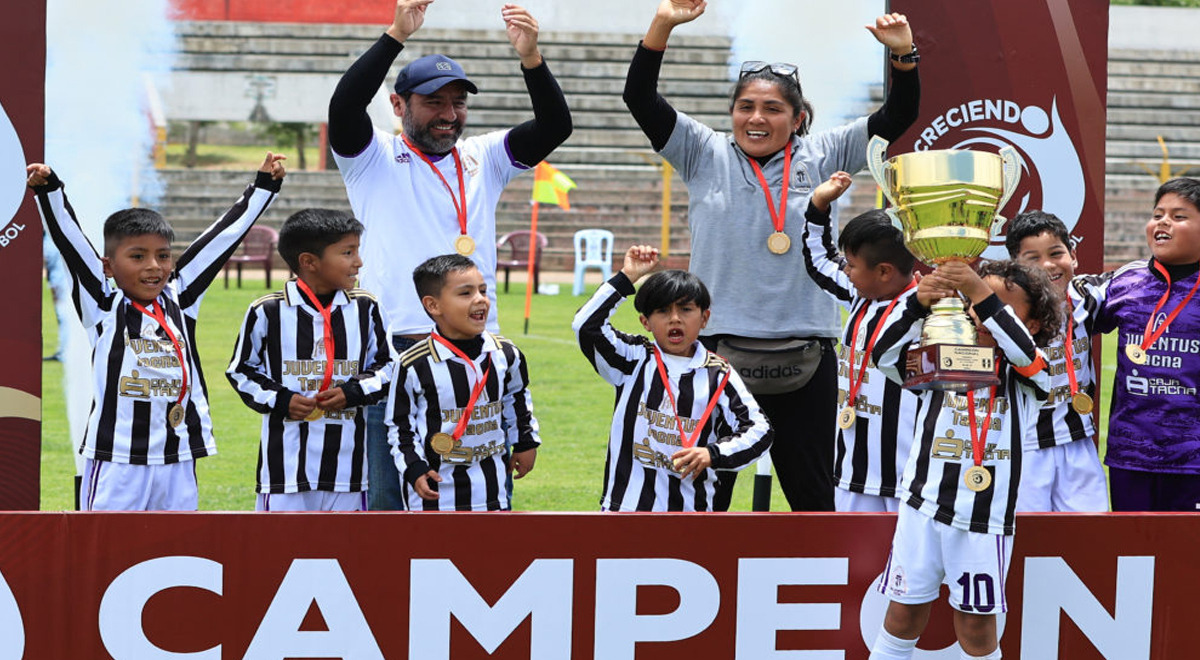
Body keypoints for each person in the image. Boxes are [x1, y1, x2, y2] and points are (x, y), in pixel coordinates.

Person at [623, 0, 920, 511]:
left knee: (815, 495)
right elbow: (640, 99)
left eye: (773, 109)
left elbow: (898, 116)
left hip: (807, 350)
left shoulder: (824, 151)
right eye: (746, 107)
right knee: (703, 493)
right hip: (715, 351)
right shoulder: (702, 150)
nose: (756, 118)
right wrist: (662, 25)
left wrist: (903, 57)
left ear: (798, 118)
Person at [328, 0, 571, 511]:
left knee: (478, 494)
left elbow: (555, 126)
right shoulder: (373, 158)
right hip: (396, 347)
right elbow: (344, 109)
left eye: (458, 102)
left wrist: (531, 58)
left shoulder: (484, 156)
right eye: (433, 102)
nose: (448, 115)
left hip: (474, 349)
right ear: (398, 106)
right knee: (392, 496)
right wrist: (396, 33)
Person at [28, 153, 286, 511]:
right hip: (117, 459)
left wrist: (263, 188)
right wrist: (51, 192)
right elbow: (72, 246)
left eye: (163, 256)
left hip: (178, 457)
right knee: (106, 554)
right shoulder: (102, 304)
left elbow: (220, 240)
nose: (154, 267)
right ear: (108, 266)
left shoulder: (181, 297)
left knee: (176, 552)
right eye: (137, 257)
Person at [867, 260, 1060, 660]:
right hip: (922, 506)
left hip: (983, 519)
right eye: (974, 305)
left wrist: (980, 292)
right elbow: (883, 356)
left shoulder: (1031, 372)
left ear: (1034, 323)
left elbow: (1021, 349)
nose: (982, 314)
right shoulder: (942, 358)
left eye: (999, 306)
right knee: (902, 617)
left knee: (975, 627)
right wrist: (918, 305)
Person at [572, 245, 773, 511]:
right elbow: (585, 325)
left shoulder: (719, 374)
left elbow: (760, 430)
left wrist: (712, 453)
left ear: (704, 318)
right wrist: (627, 276)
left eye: (686, 310)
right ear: (646, 322)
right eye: (663, 311)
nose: (675, 319)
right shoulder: (634, 359)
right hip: (626, 510)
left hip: (692, 514)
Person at [226, 209, 391, 512]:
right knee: (280, 552)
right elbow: (241, 371)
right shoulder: (267, 311)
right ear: (309, 262)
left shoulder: (366, 308)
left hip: (349, 473)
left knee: (345, 553)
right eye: (347, 252)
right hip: (284, 472)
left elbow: (389, 367)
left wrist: (352, 392)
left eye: (357, 250)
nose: (359, 262)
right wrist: (282, 399)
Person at [1070, 178, 1200, 511]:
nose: (1163, 222)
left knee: (1187, 557)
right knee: (1134, 551)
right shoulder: (1125, 281)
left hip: (1193, 459)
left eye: (1179, 216)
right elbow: (1063, 315)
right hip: (1131, 454)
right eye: (1158, 214)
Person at [800, 173, 920, 512]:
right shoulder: (860, 297)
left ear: (884, 271)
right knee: (857, 562)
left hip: (904, 477)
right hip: (852, 470)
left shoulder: (927, 312)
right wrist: (819, 206)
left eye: (852, 265)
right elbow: (819, 259)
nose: (846, 272)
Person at [387, 254, 539, 511]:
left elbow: (518, 397)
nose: (480, 299)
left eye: (482, 290)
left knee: (490, 549)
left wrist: (525, 442)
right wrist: (413, 467)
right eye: (465, 293)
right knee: (433, 550)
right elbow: (400, 424)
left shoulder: (505, 353)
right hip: (433, 488)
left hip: (492, 485)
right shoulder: (413, 363)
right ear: (433, 305)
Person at [1004, 210, 1108, 512]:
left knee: (1090, 536)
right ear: (1015, 265)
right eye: (1032, 258)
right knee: (1026, 539)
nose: (1047, 265)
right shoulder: (1001, 313)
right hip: (1024, 448)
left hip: (1078, 442)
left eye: (1056, 253)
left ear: (1073, 255)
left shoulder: (1088, 298)